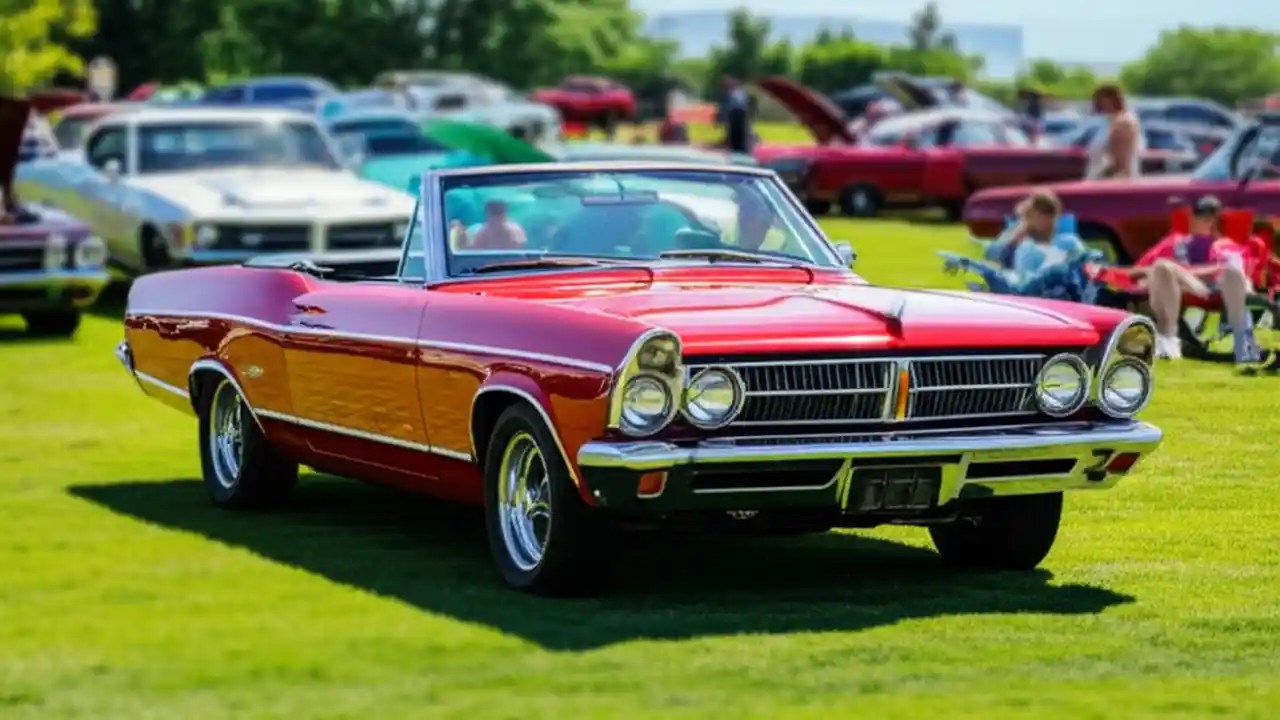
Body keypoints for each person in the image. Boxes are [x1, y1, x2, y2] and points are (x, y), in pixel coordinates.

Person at [1125, 195, 1259, 363]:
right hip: (1179, 287)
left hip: (1216, 288)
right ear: (1192, 218)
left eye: (1211, 218)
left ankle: (1244, 347)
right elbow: (1136, 270)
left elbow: (1230, 271)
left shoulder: (1227, 245)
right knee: (1162, 267)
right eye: (1201, 216)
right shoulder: (1175, 243)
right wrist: (1170, 272)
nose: (1206, 222)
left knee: (1230, 273)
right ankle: (1169, 342)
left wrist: (1186, 272)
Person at [943, 190, 1093, 301]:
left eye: (1052, 215)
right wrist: (1021, 228)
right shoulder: (1024, 246)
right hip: (1036, 289)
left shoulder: (1068, 241)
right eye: (1041, 215)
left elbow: (1084, 264)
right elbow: (994, 255)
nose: (1051, 221)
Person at [1085, 84, 1144, 180]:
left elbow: (1120, 165)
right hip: (1103, 181)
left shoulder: (1123, 123)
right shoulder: (1111, 122)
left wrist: (1103, 181)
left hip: (1112, 183)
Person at [719, 76, 753, 154]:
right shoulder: (738, 94)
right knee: (737, 137)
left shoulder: (735, 95)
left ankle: (739, 149)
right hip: (737, 117)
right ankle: (739, 148)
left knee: (738, 137)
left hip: (737, 117)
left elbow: (730, 109)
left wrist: (724, 117)